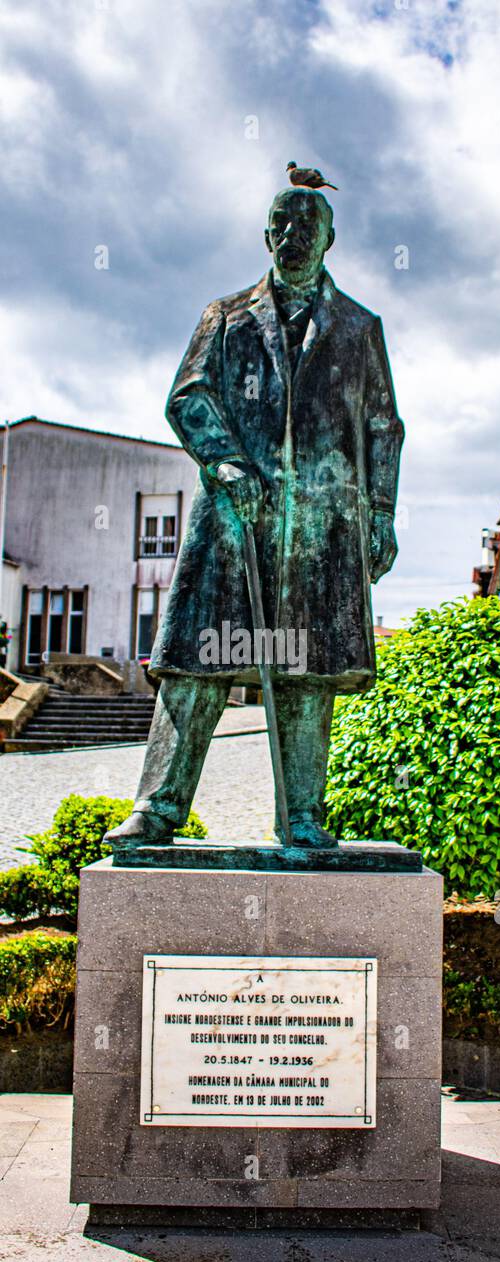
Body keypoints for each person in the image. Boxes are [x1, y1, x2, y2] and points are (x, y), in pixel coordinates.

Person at [105, 186, 404, 852]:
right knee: (196, 665)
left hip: (322, 527)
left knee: (307, 671)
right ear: (266, 235)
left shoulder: (359, 327)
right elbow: (189, 397)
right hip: (235, 520)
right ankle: (158, 807)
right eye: (281, 224)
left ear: (329, 238)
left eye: (308, 224)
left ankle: (302, 816)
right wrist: (226, 462)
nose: (294, 234)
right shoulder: (226, 316)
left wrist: (381, 510)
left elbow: (383, 425)